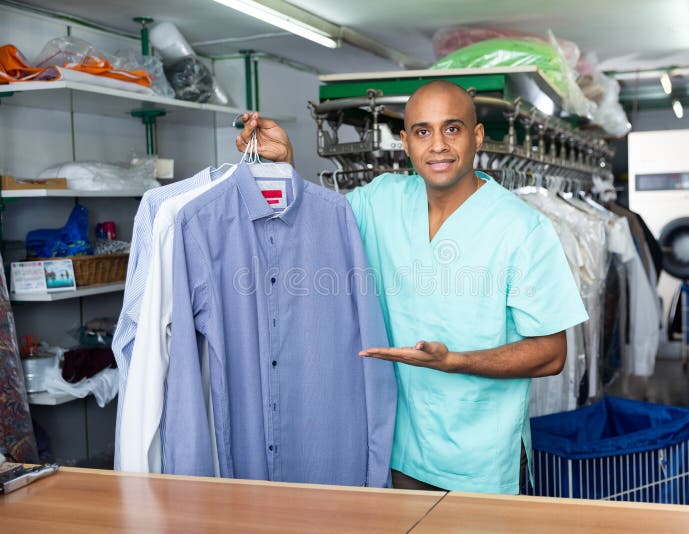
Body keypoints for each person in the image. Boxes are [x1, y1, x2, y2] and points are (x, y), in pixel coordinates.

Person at [235, 80, 588, 494]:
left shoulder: (523, 228)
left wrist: (454, 361)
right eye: (423, 131)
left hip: (478, 463)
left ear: (477, 137)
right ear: (404, 142)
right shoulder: (380, 200)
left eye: (452, 129)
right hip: (395, 450)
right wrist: (285, 164)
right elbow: (314, 226)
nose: (437, 145)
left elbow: (552, 354)